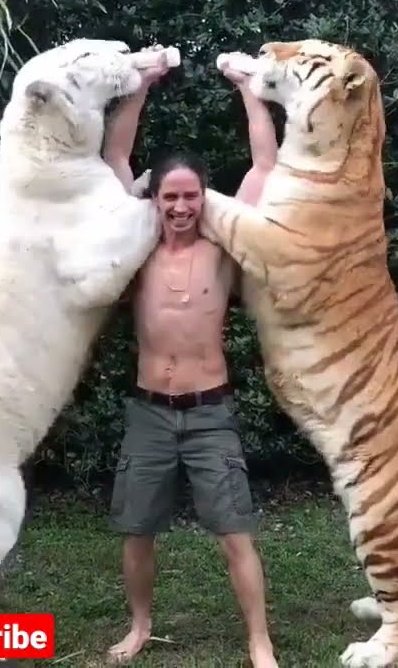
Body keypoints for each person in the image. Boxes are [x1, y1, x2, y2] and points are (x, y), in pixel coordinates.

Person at [101, 53, 279, 668]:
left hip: (210, 413)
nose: (180, 207)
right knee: (137, 531)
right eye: (170, 196)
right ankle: (140, 626)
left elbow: (264, 167)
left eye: (190, 196)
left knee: (235, 534)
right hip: (149, 411)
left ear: (204, 198)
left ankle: (259, 641)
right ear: (155, 199)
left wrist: (249, 90)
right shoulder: (139, 249)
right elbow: (116, 161)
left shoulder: (221, 249)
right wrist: (141, 84)